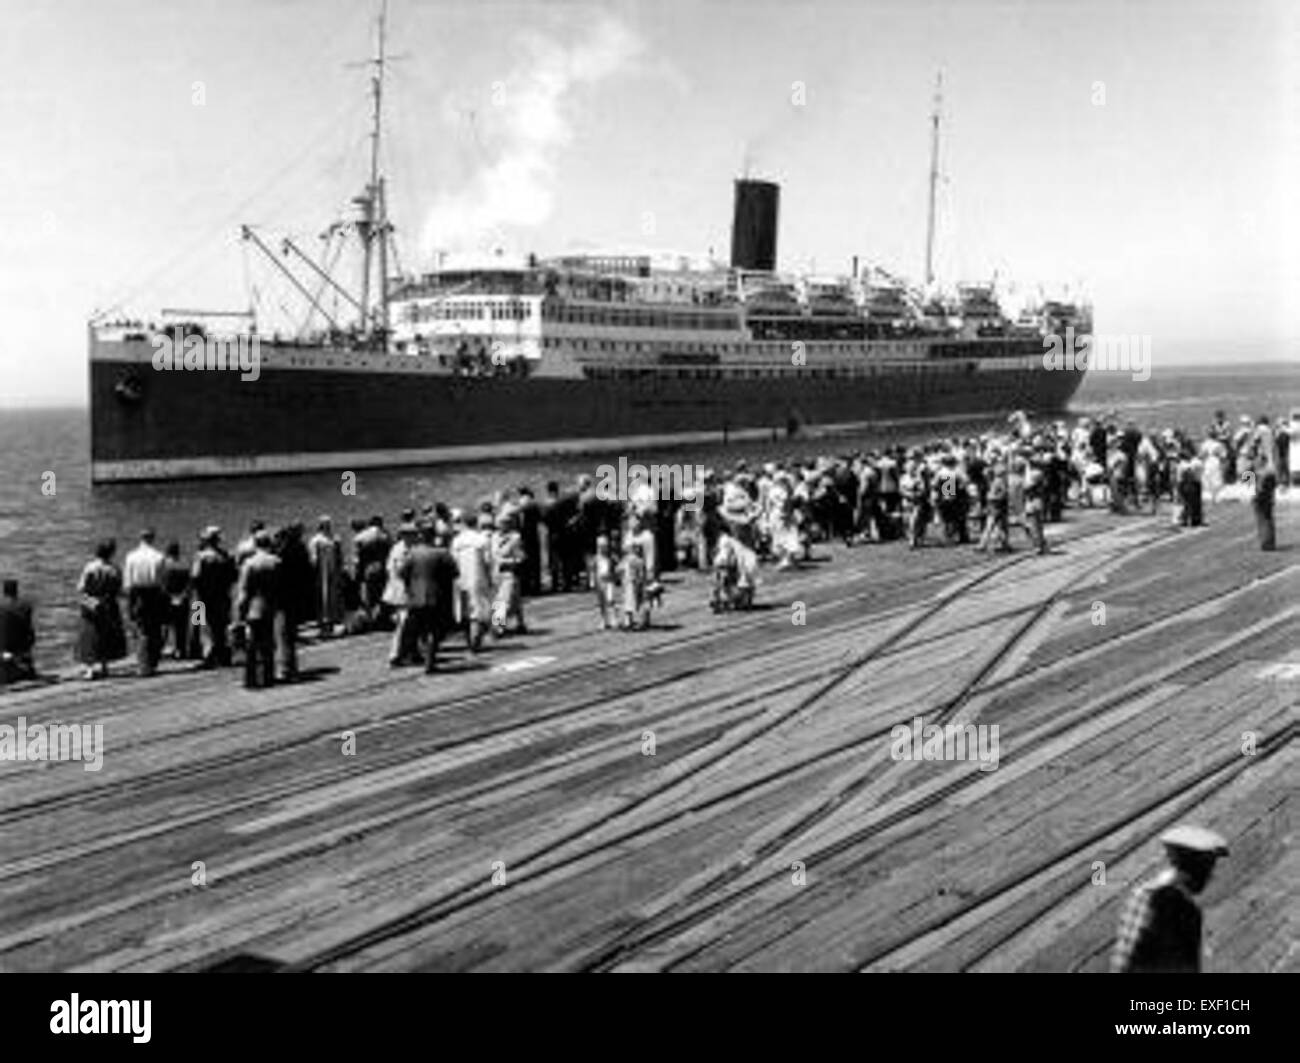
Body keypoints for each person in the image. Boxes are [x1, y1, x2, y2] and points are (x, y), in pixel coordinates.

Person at [1111, 825, 1229, 973]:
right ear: (1194, 868)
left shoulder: (1191, 910)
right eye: (1208, 868)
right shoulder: (1146, 898)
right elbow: (1122, 961)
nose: (1211, 876)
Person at [399, 523, 459, 672]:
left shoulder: (412, 553)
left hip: (416, 596)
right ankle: (430, 661)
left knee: (418, 628)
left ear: (420, 536)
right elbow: (455, 573)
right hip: (437, 596)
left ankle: (412, 654)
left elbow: (401, 573)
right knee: (435, 629)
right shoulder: (442, 553)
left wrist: (411, 584)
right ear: (434, 536)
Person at [236, 530, 280, 689]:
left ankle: (251, 679)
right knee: (268, 643)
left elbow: (244, 591)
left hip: (253, 608)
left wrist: (239, 612)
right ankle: (268, 676)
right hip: (271, 606)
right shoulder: (276, 561)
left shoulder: (250, 563)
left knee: (251, 645)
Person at [77, 539, 126, 680]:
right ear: (110, 553)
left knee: (90, 636)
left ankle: (89, 669)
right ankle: (105, 666)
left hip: (92, 605)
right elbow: (119, 590)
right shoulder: (115, 569)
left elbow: (81, 588)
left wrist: (90, 603)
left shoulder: (90, 567)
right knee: (107, 635)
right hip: (109, 606)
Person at [123, 528, 166, 676]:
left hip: (137, 594)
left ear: (140, 538)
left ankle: (143, 664)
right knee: (154, 630)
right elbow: (162, 582)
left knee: (140, 630)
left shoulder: (131, 557)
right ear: (153, 538)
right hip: (154, 594)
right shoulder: (159, 556)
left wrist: (129, 604)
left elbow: (127, 583)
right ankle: (152, 662)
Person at [191, 526, 236, 668]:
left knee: (203, 626)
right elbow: (234, 576)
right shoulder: (226, 556)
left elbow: (195, 576)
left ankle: (208, 656)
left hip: (202, 597)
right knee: (221, 626)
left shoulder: (201, 557)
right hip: (223, 596)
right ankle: (223, 655)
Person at [451, 511, 493, 654]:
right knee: (480, 610)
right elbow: (487, 562)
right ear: (476, 523)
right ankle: (477, 640)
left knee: (465, 611)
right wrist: (490, 578)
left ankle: (470, 640)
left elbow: (453, 562)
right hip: (478, 577)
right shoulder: (481, 539)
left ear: (463, 523)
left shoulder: (457, 541)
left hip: (461, 580)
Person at [491, 511, 527, 636]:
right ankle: (520, 623)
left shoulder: (515, 537)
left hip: (509, 573)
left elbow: (521, 557)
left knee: (503, 600)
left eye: (504, 523)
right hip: (496, 573)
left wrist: (509, 562)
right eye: (500, 523)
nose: (501, 526)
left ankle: (498, 627)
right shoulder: (494, 537)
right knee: (512, 599)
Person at [308, 516, 343, 636]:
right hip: (323, 573)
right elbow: (313, 559)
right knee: (325, 598)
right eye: (326, 524)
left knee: (330, 598)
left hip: (330, 572)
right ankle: (325, 624)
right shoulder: (319, 540)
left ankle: (329, 624)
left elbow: (339, 556)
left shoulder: (329, 539)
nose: (328, 526)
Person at [1248, 416, 1278, 551]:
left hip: (1262, 475)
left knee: (1260, 509)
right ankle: (1270, 541)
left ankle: (1265, 542)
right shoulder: (1271, 434)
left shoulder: (1259, 432)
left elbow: (1250, 452)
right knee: (1268, 510)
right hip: (1271, 474)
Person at [160, 540, 192, 660]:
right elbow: (190, 582)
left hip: (168, 598)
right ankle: (181, 650)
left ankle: (161, 648)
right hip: (182, 598)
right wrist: (184, 595)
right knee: (182, 626)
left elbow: (162, 583)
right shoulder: (185, 563)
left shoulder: (164, 563)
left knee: (165, 625)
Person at [0, 579, 36, 684]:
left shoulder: (1, 607)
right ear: (16, 591)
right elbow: (28, 627)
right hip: (21, 644)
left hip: (4, 644)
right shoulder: (25, 606)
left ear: (4, 591)